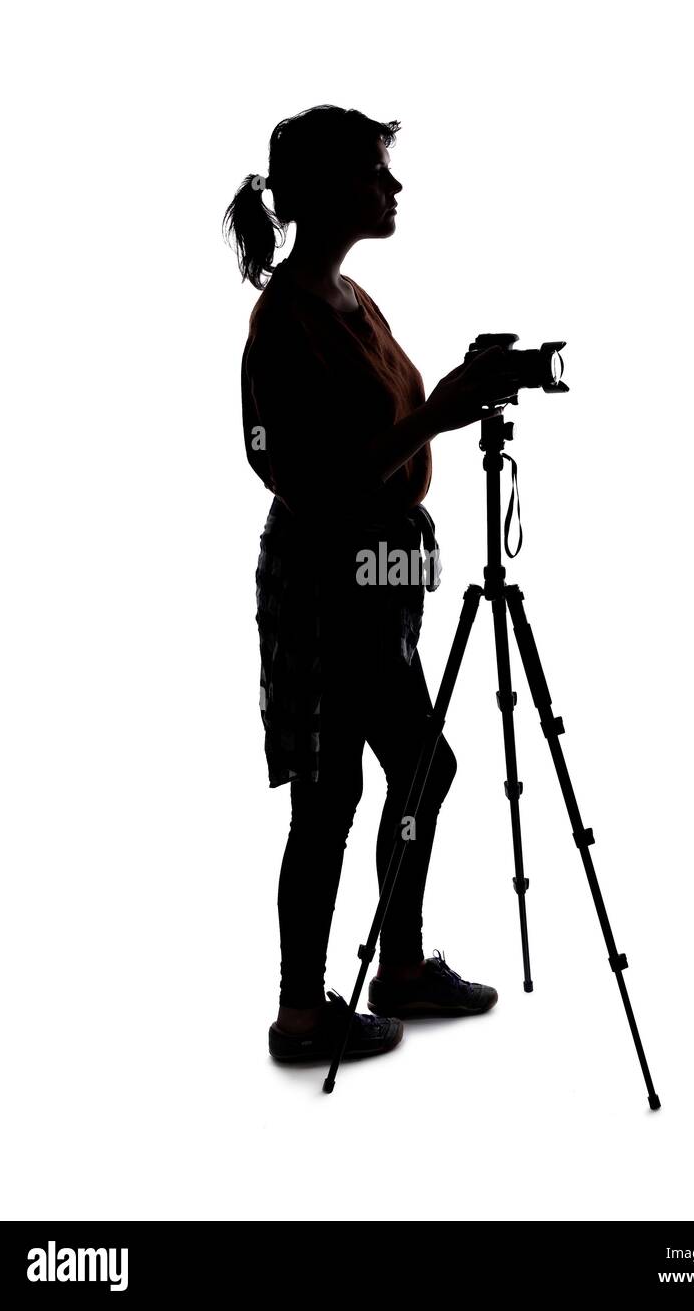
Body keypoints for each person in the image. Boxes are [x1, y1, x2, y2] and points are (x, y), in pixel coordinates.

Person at [223, 105, 511, 1064]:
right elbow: (310, 479)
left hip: (383, 574)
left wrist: (440, 413)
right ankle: (302, 1012)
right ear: (323, 189)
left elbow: (389, 443)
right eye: (375, 173)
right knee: (330, 791)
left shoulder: (352, 298)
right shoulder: (283, 321)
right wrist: (434, 416)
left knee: (421, 767)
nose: (393, 189)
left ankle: (397, 965)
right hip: (321, 581)